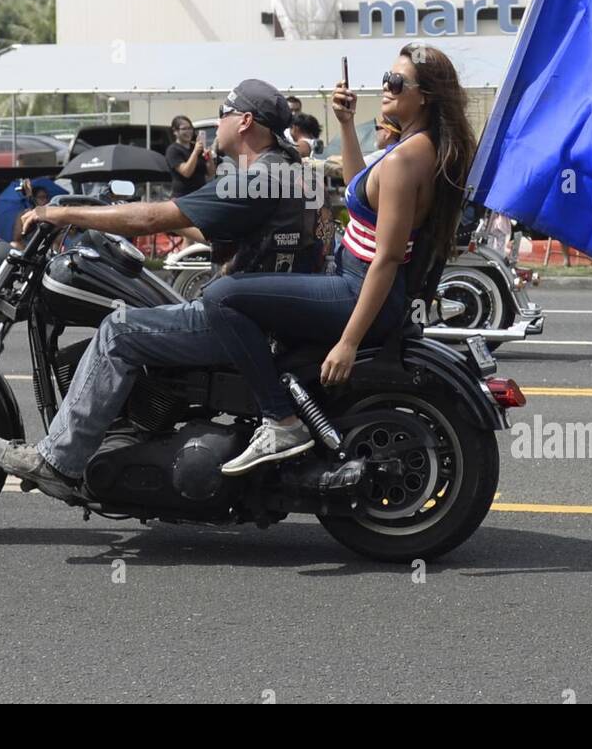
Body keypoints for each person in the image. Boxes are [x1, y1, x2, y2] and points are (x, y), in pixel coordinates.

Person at [0, 78, 318, 502]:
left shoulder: (253, 178)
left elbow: (150, 219)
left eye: (224, 113)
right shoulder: (287, 171)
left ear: (246, 121)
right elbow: (208, 226)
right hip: (275, 317)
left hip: (242, 321)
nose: (217, 123)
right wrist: (162, 217)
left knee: (117, 331)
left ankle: (59, 461)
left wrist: (63, 212)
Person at [204, 45, 476, 475]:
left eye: (396, 82)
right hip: (351, 273)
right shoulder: (413, 146)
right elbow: (359, 188)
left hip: (359, 286)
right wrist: (347, 124)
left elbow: (387, 258)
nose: (385, 88)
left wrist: (348, 343)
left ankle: (281, 421)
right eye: (386, 78)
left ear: (424, 96)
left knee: (222, 296)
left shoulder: (406, 158)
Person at [165, 114, 211, 198]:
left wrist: (209, 157)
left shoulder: (196, 147)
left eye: (190, 128)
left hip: (200, 194)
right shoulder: (173, 150)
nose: (188, 132)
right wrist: (195, 152)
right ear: (175, 131)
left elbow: (210, 173)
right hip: (183, 196)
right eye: (184, 129)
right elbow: (186, 172)